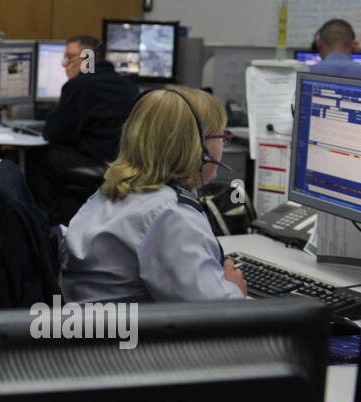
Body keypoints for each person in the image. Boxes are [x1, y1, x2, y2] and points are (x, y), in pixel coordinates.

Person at [61, 86, 247, 304]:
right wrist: (234, 289)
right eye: (222, 137)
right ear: (199, 149)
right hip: (127, 336)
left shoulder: (114, 192)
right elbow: (214, 315)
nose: (223, 145)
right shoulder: (169, 214)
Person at [26, 34, 139, 225]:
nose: (64, 64)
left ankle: (48, 227)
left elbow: (53, 134)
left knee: (37, 157)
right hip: (121, 163)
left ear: (88, 59)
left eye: (69, 57)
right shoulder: (128, 85)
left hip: (95, 162)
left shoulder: (80, 84)